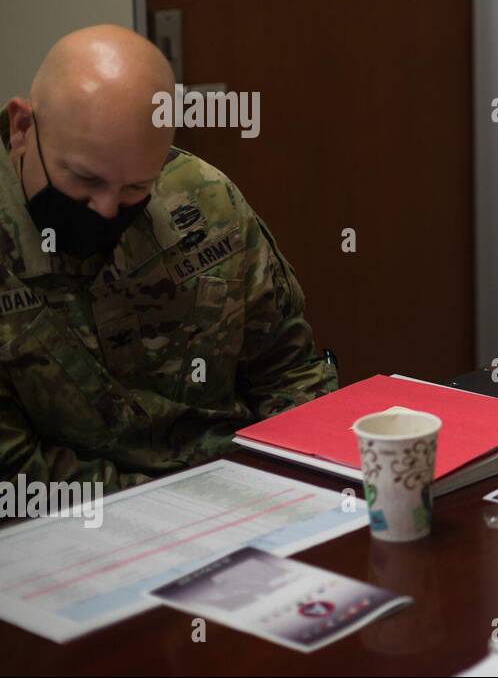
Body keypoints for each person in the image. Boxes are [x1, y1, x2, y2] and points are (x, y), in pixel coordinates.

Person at [0, 25, 336, 493]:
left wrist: (311, 480)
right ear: (21, 129)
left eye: (137, 186)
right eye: (85, 179)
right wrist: (168, 506)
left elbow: (289, 370)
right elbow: (11, 472)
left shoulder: (203, 200)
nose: (107, 209)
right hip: (72, 520)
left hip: (242, 489)